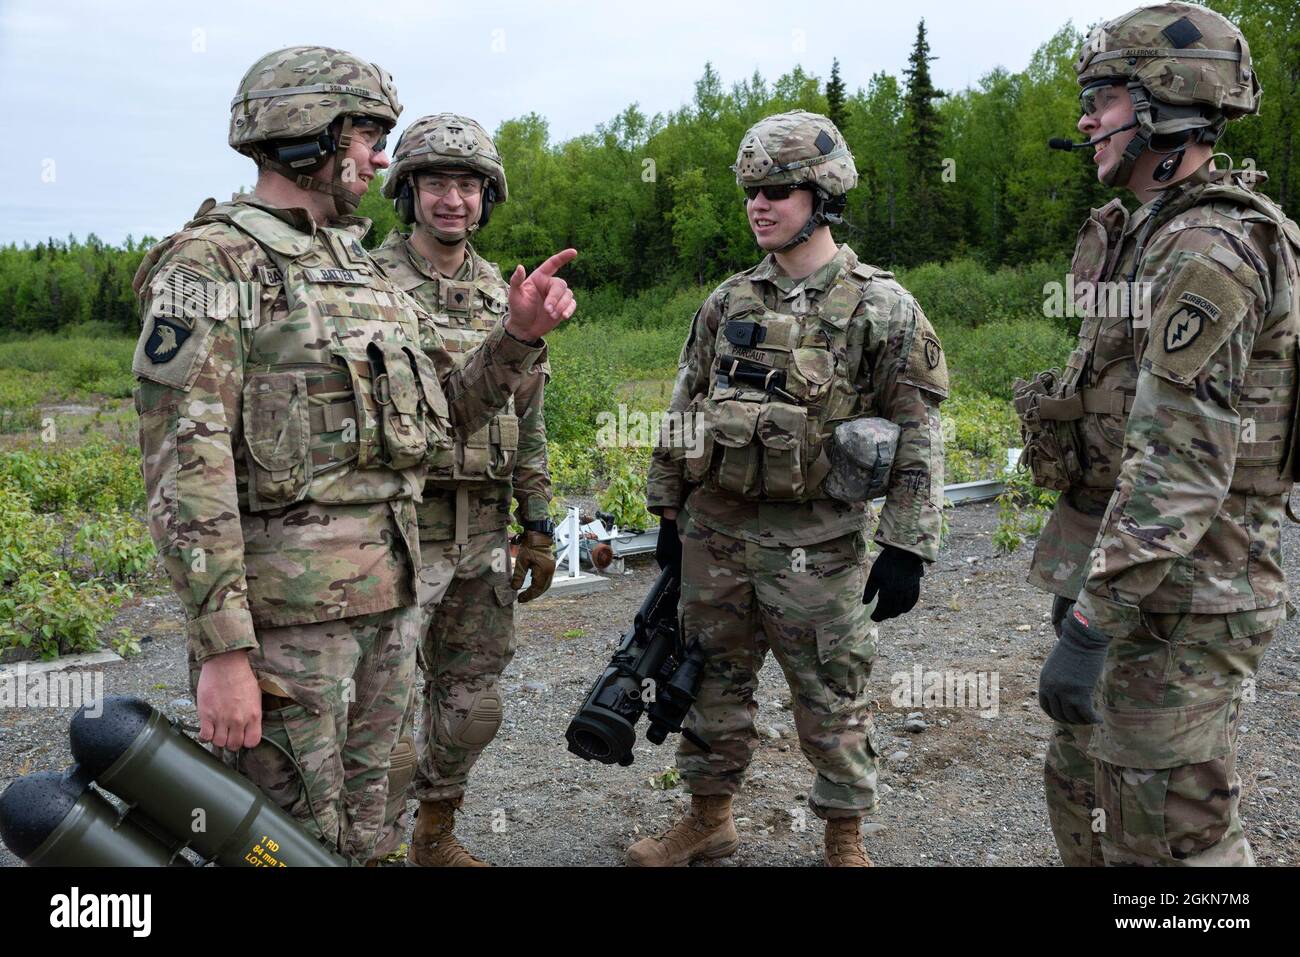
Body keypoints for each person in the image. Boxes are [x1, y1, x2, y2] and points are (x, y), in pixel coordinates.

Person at [131, 46, 575, 864]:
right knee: (283, 843)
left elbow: (439, 421)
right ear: (306, 133)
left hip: (387, 614)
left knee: (371, 837)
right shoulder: (214, 264)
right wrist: (224, 651)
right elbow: (185, 475)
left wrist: (516, 338)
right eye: (365, 136)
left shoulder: (355, 271)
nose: (378, 158)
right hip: (287, 636)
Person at [1020, 2, 1300, 865]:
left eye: (1101, 97)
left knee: (1170, 837)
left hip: (1190, 597)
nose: (1085, 119)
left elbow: (1178, 471)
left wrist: (1091, 626)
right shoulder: (1139, 235)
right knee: (1086, 799)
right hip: (1136, 584)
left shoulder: (1206, 251)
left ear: (1166, 105)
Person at [636, 110, 948, 867]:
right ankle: (709, 819)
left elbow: (918, 430)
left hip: (818, 542)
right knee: (709, 679)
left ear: (824, 195)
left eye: (778, 189)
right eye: (751, 191)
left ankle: (845, 838)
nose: (758, 205)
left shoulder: (882, 306)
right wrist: (669, 510)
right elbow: (685, 407)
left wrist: (908, 544)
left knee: (832, 692)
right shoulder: (729, 300)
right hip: (717, 531)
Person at [369, 114, 554, 866]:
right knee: (379, 722)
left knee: (473, 706)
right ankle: (365, 848)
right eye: (437, 183)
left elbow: (531, 419)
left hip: (481, 528)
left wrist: (537, 522)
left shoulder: (504, 291)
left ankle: (434, 836)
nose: (453, 199)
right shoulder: (366, 283)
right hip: (396, 527)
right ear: (407, 193)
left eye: (468, 184)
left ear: (487, 196)